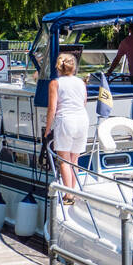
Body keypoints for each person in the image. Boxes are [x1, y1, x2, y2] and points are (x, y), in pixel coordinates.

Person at [43, 53, 88, 202]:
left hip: (66, 121)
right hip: (82, 120)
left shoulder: (55, 83)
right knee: (74, 160)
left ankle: (68, 195)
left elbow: (52, 108)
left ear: (58, 67)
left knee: (64, 161)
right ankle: (73, 192)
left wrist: (47, 128)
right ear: (73, 67)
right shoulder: (81, 82)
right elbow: (84, 103)